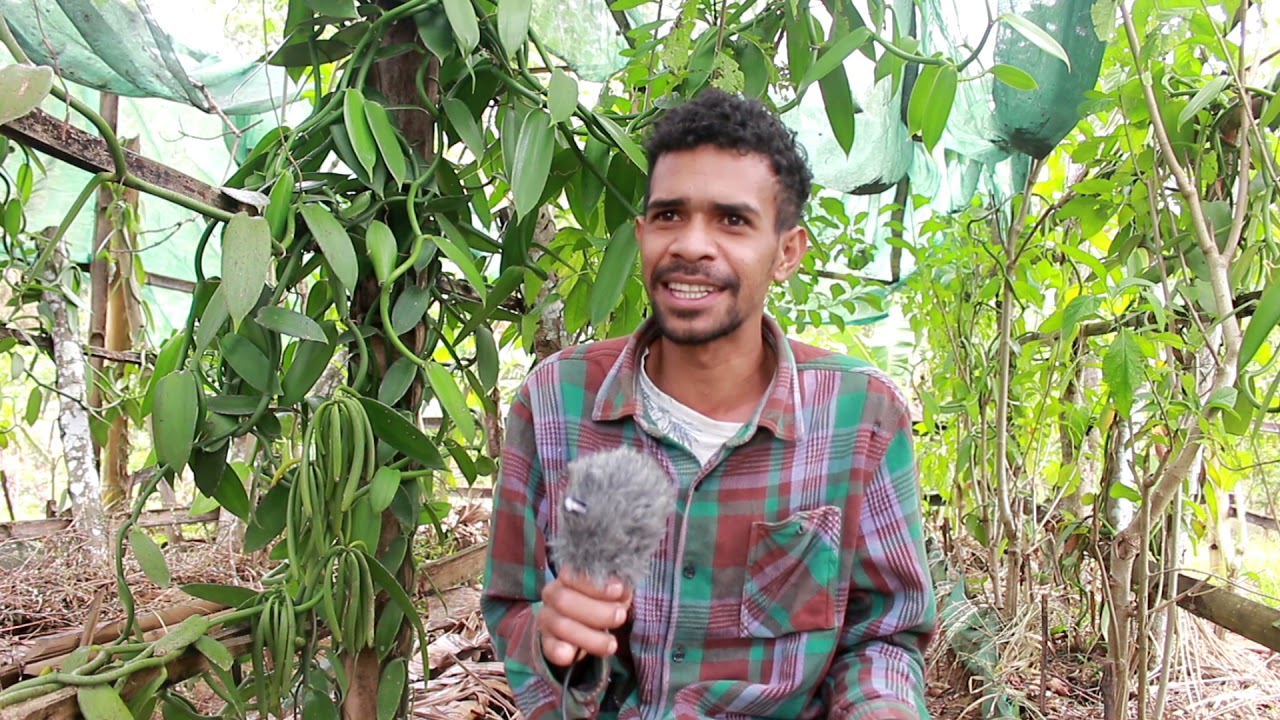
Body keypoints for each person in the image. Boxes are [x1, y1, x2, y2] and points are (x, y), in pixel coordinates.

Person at [482, 88, 936, 719]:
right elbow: (514, 606)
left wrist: (880, 708)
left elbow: (883, 633)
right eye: (670, 215)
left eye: (732, 220)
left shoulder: (861, 416)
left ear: (787, 253)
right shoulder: (556, 402)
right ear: (642, 235)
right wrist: (553, 641)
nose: (692, 245)